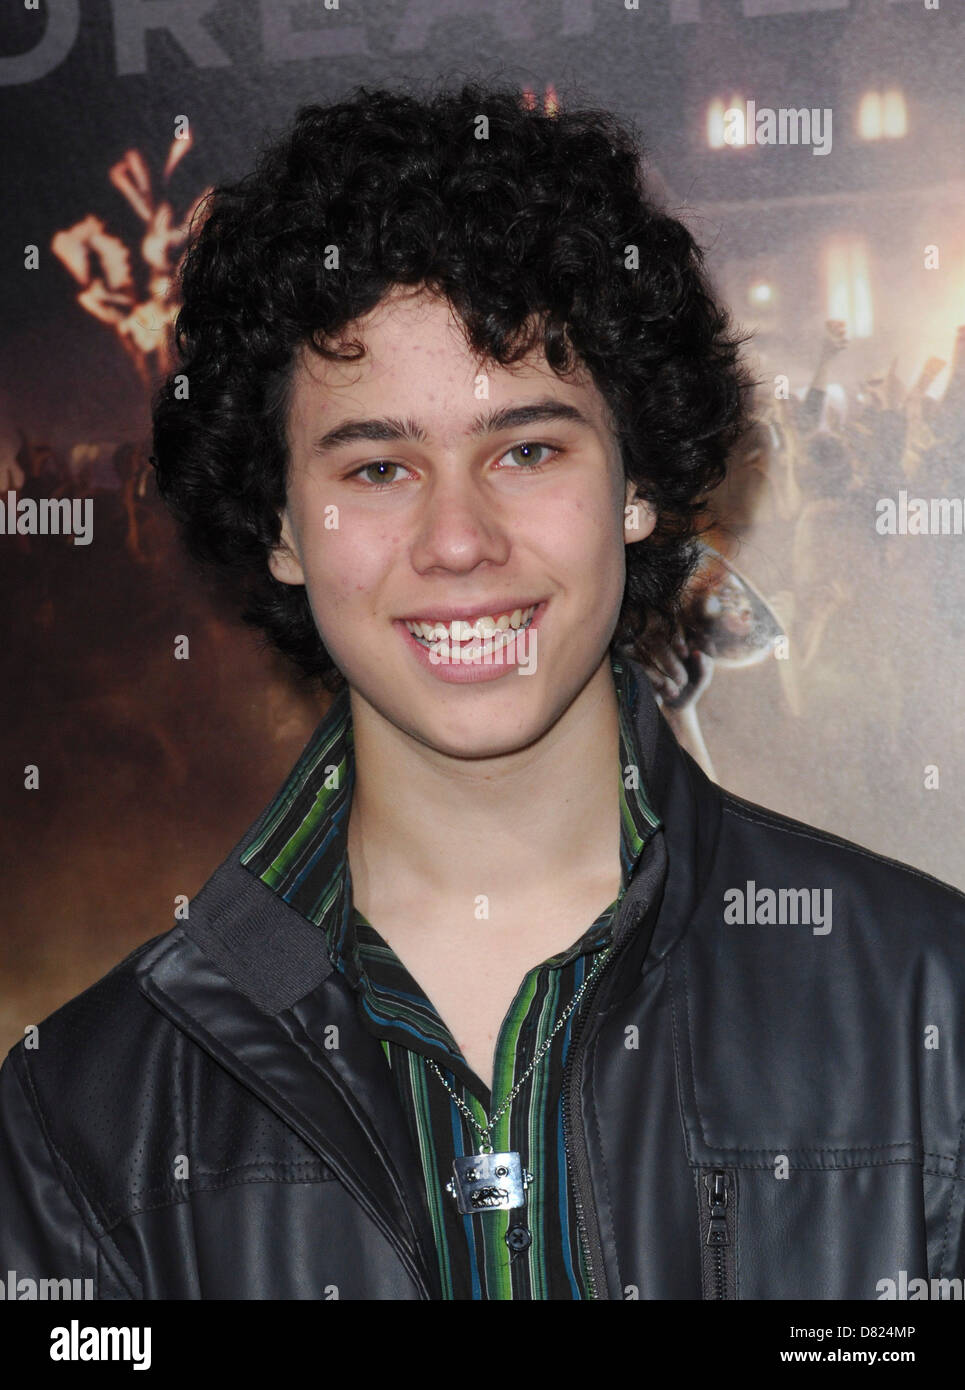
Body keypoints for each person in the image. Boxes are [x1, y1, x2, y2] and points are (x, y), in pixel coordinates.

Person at [2, 80, 963, 1302]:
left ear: (636, 484)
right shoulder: (80, 1116)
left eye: (524, 449)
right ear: (281, 525)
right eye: (380, 465)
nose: (457, 539)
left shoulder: (928, 1008)